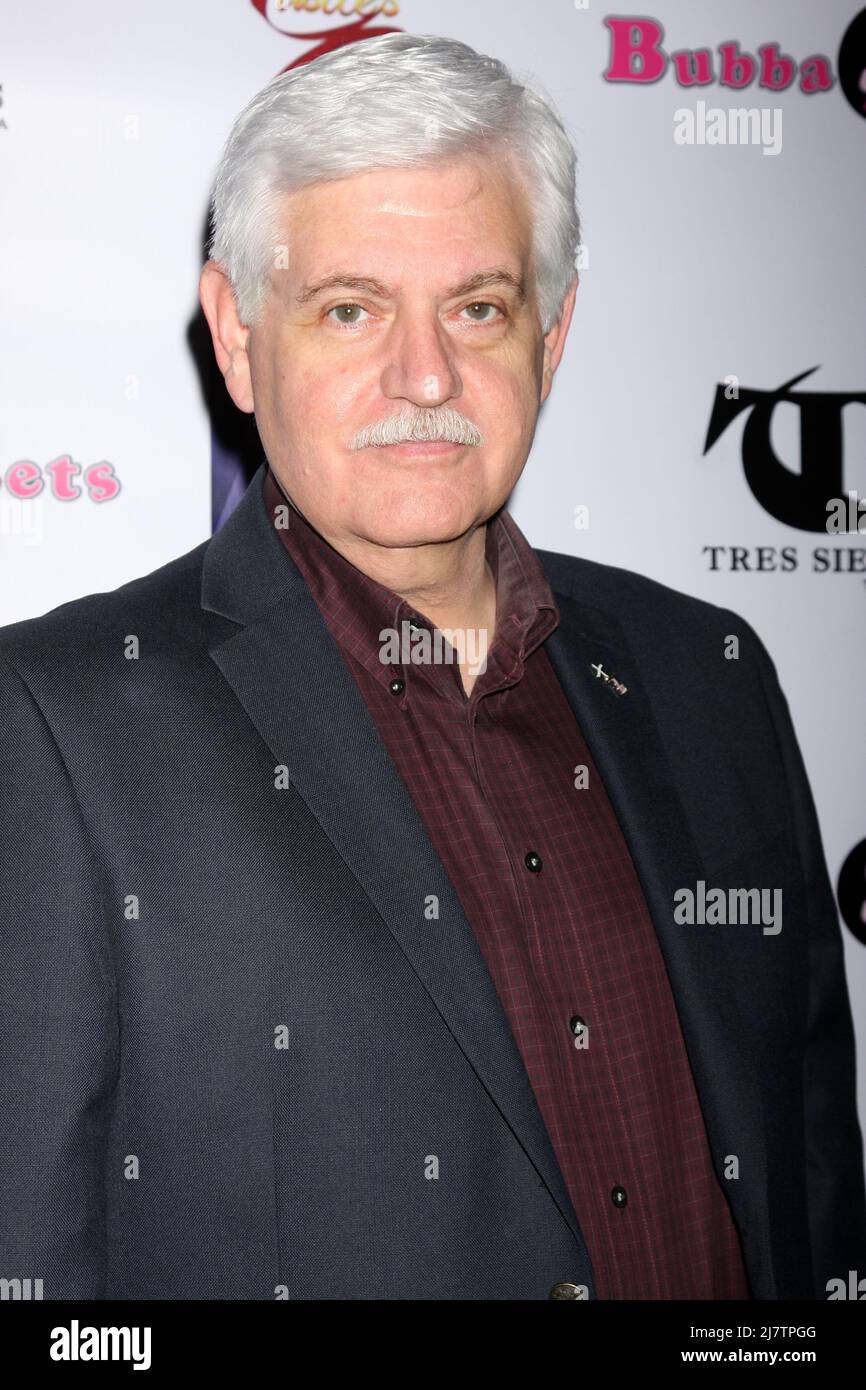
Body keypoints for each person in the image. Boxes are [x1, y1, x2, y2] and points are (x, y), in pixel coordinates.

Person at [1, 32, 863, 1301]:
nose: (424, 376)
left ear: (553, 334)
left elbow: (809, 1188)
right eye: (349, 307)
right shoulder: (55, 723)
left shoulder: (710, 673)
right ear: (238, 337)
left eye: (477, 307)